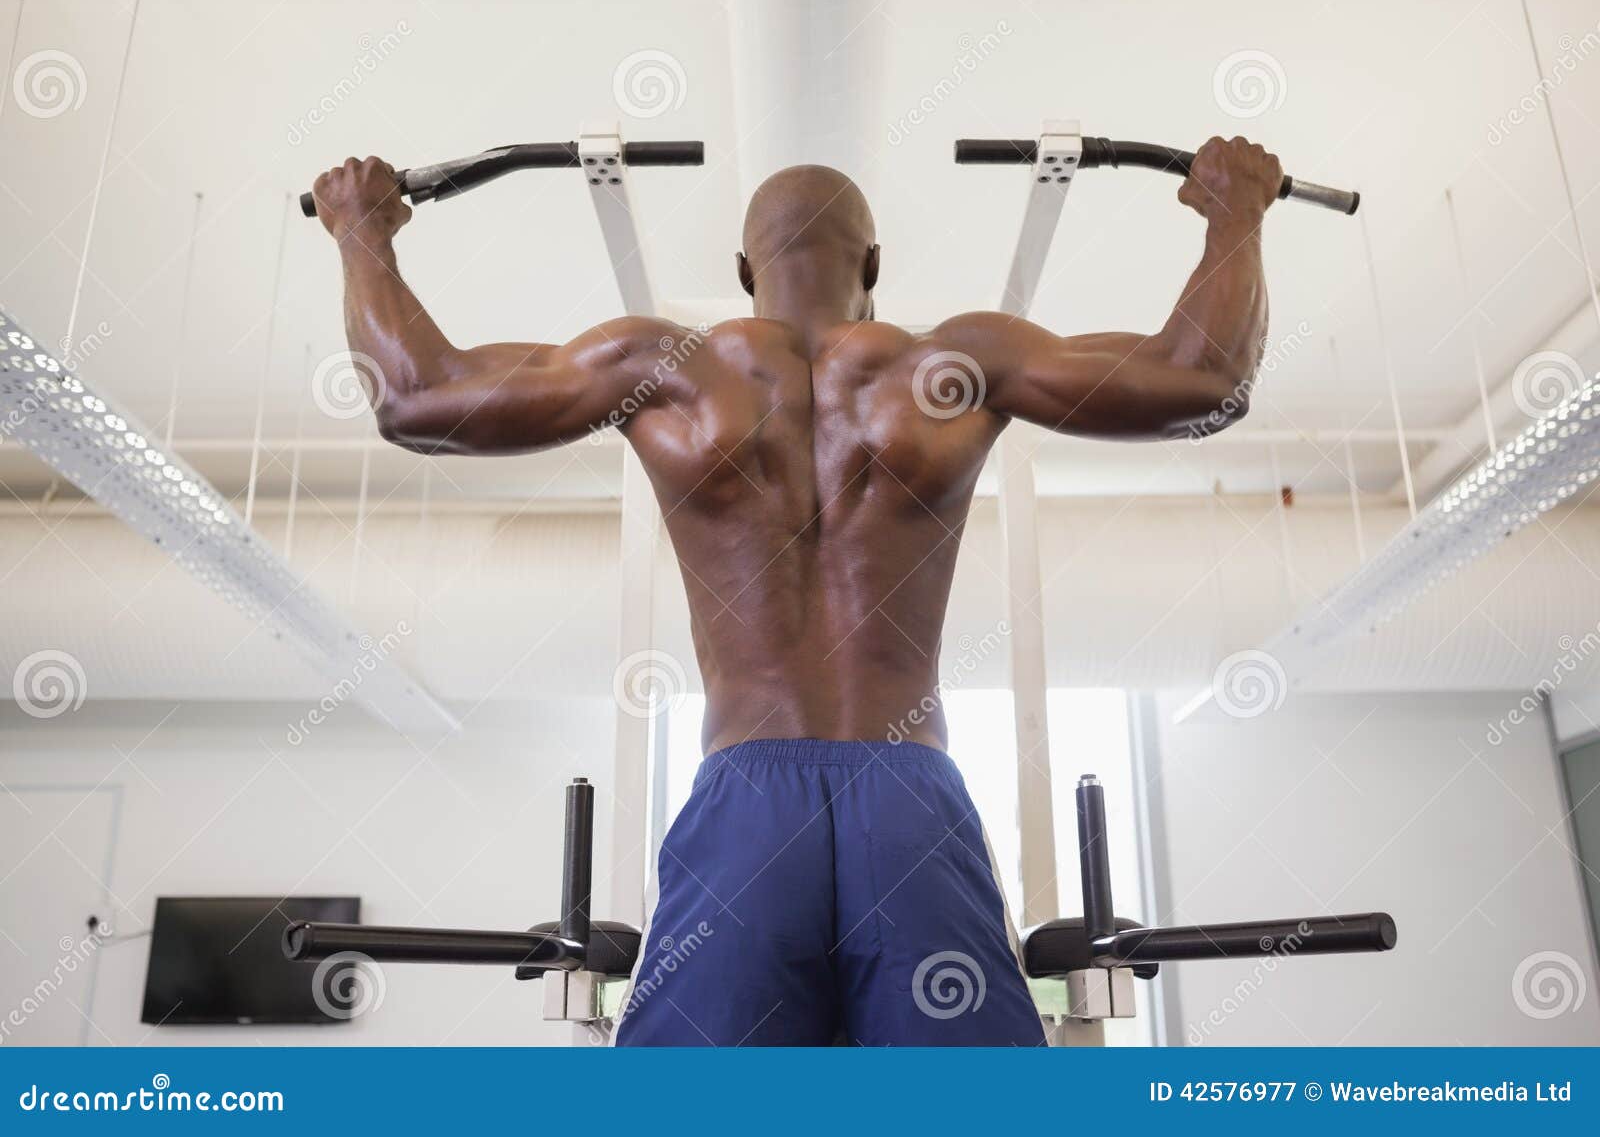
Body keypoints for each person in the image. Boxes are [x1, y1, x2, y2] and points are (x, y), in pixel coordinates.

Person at [311, 135, 1282, 1045]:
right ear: (874, 263)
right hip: (908, 795)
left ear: (744, 271)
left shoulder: (660, 369)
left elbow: (417, 399)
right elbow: (1204, 380)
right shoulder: (960, 362)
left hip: (746, 807)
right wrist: (1235, 212)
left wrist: (362, 232)